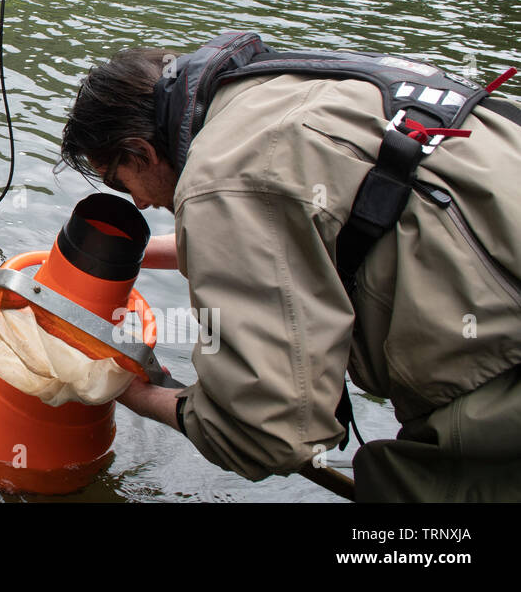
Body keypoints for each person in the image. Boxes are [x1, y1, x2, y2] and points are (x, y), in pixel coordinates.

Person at [58, 32, 521, 501]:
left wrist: (126, 389)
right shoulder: (278, 88)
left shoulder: (220, 179)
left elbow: (265, 433)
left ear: (142, 150)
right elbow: (296, 214)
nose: (137, 201)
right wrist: (125, 258)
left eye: (121, 183)